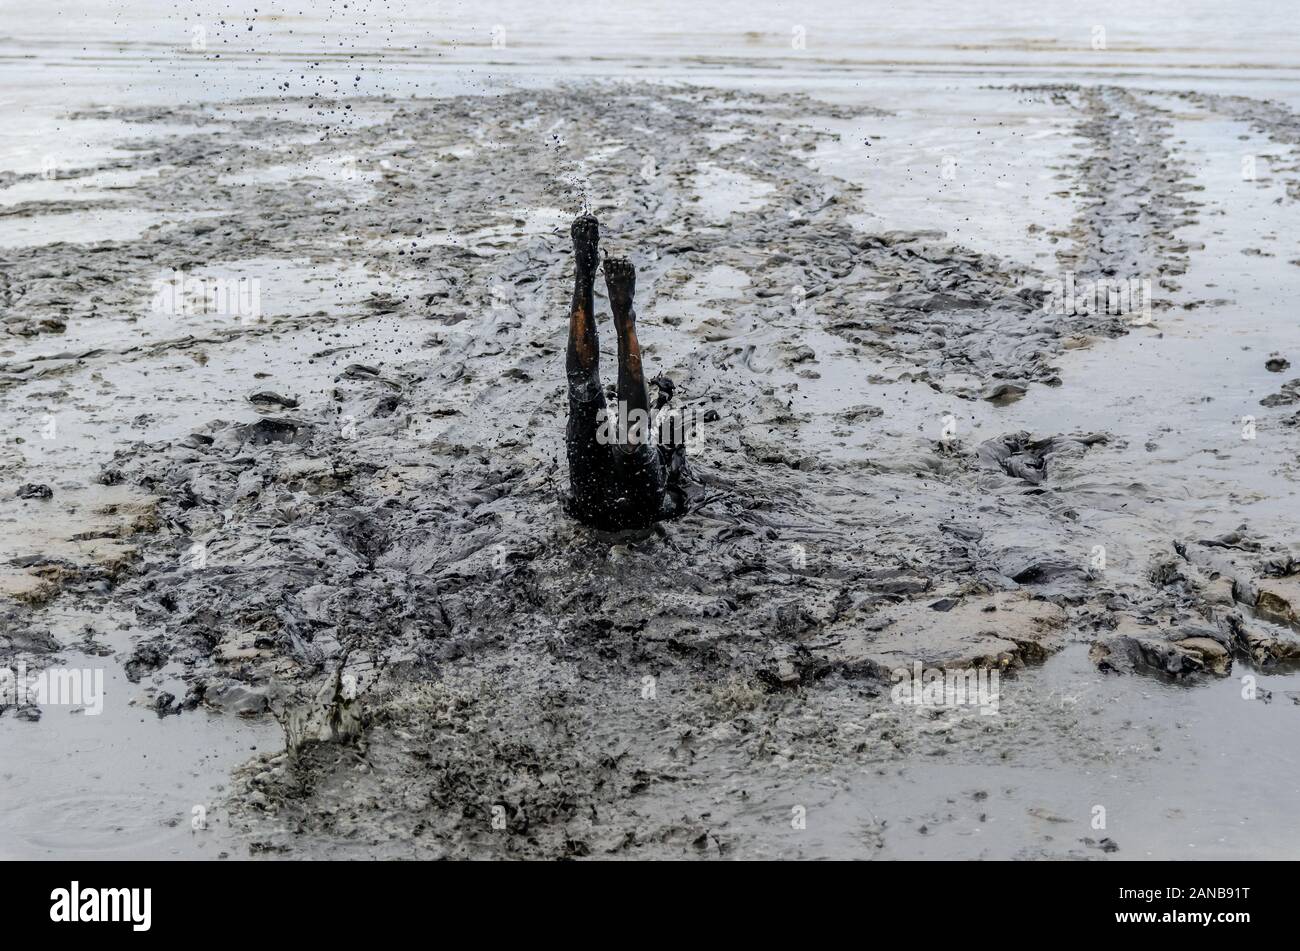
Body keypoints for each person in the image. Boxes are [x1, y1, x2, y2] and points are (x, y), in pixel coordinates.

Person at [565, 213, 688, 530]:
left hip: (592, 505)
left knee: (582, 394)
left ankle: (585, 275)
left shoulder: (665, 430)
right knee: (631, 434)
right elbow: (678, 471)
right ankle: (624, 315)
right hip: (635, 505)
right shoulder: (670, 433)